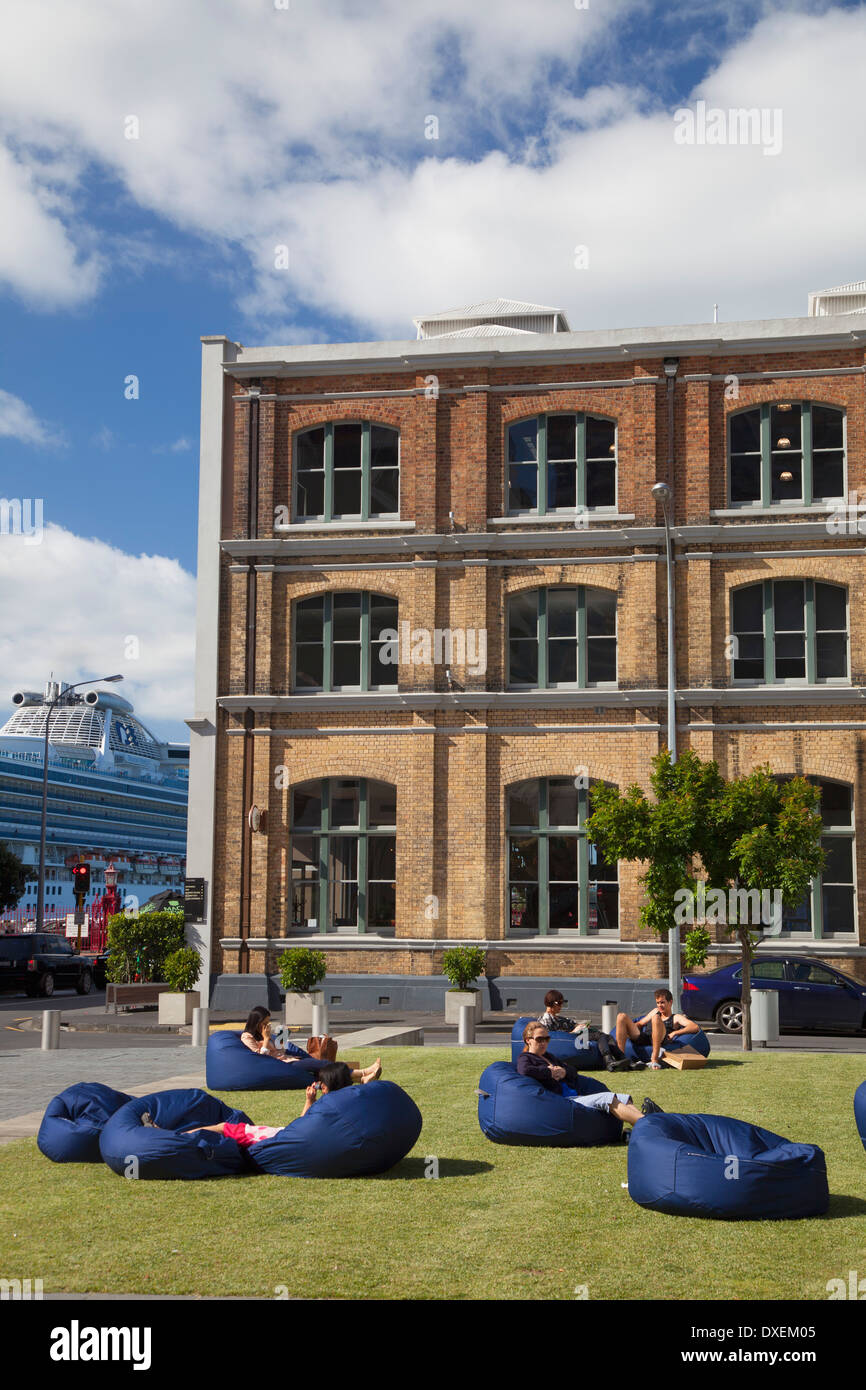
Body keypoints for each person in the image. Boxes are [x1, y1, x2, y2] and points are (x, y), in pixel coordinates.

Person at [517, 1021, 663, 1128]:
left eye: (546, 1039)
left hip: (576, 1095)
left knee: (623, 1099)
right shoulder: (526, 1058)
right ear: (528, 1041)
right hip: (564, 1102)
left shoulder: (549, 1056)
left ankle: (643, 1123)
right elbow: (524, 1070)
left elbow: (573, 1071)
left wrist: (563, 1071)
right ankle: (650, 1125)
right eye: (539, 1039)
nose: (543, 1043)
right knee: (607, 1098)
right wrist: (549, 1072)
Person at [182, 1062, 361, 1146]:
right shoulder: (346, 1101)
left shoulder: (326, 1106)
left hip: (278, 1137)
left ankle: (178, 1138)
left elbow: (300, 1128)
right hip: (283, 1134)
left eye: (321, 1083)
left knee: (223, 1127)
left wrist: (309, 1101)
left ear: (326, 1085)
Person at [240, 1006, 381, 1082]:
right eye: (264, 1024)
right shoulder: (247, 1037)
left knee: (321, 1072)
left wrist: (281, 1040)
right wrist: (265, 1040)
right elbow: (258, 1060)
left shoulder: (266, 1035)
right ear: (256, 1023)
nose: (267, 1027)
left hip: (287, 1061)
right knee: (324, 1065)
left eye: (268, 1023)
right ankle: (364, 1072)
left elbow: (279, 1052)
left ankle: (362, 1079)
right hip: (282, 1065)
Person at [538, 989, 632, 1072]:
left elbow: (572, 1024)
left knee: (607, 1036)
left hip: (577, 1036)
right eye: (559, 1003)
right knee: (601, 1036)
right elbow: (555, 1038)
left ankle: (623, 1060)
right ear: (552, 1003)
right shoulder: (545, 1021)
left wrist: (582, 1026)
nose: (561, 1006)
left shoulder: (559, 1019)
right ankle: (610, 1061)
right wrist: (574, 1032)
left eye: (562, 1003)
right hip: (572, 1040)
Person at [615, 989, 700, 1070]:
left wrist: (675, 1033)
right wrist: (628, 1030)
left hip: (661, 1039)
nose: (660, 1005)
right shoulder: (655, 1011)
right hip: (646, 1037)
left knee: (655, 1018)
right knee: (621, 1016)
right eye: (658, 1003)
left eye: (662, 1002)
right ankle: (621, 1059)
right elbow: (640, 1023)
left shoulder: (676, 1017)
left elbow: (694, 1027)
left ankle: (654, 1060)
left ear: (670, 1002)